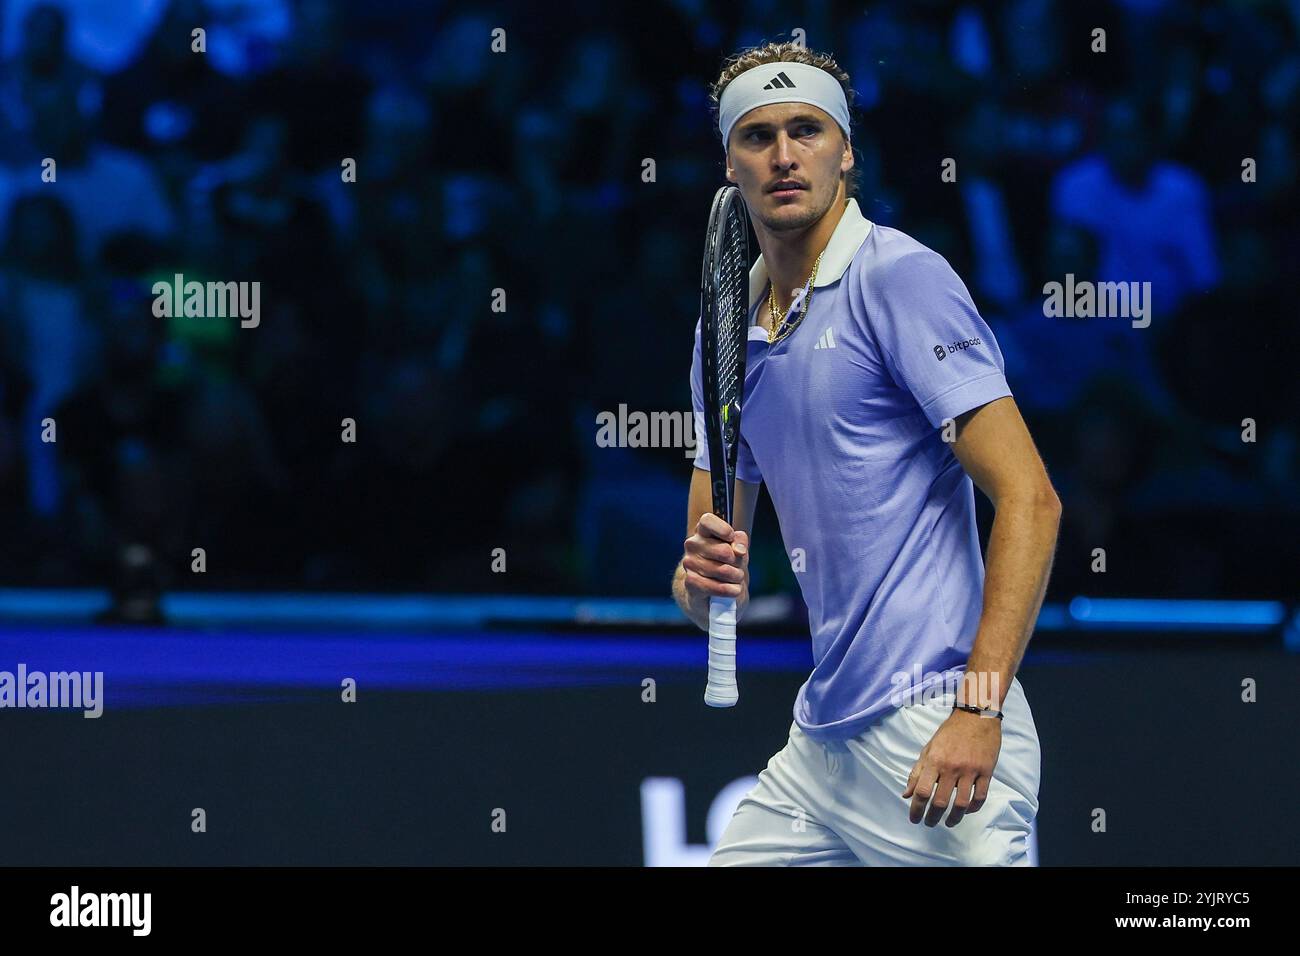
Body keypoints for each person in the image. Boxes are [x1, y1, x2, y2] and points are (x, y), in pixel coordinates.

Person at [670, 42, 1062, 866]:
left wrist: (979, 710)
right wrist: (702, 586)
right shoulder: (724, 333)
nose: (783, 155)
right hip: (820, 750)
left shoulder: (901, 280)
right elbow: (704, 589)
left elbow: (1031, 499)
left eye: (807, 130)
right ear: (728, 162)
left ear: (845, 151)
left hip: (937, 726)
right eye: (758, 135)